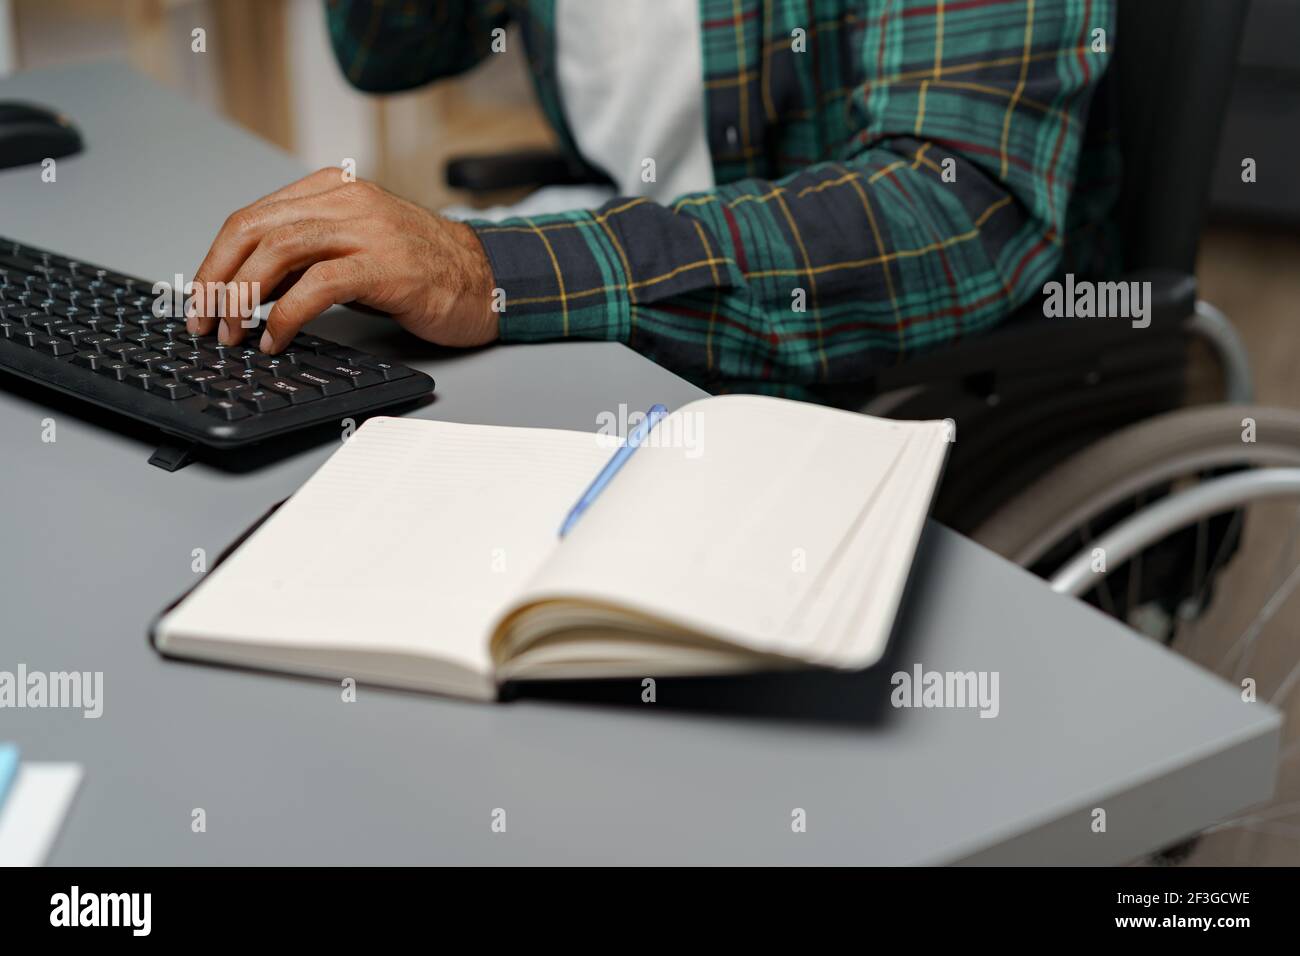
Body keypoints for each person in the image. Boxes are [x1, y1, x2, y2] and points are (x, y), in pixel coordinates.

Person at [188, 0, 1118, 403]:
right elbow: (391, 49)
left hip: (852, 357)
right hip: (619, 293)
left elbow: (958, 206)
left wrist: (485, 272)